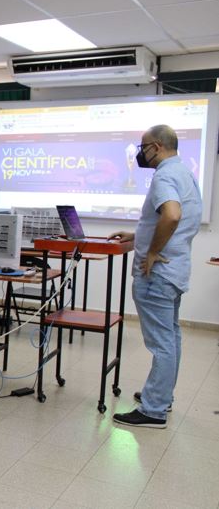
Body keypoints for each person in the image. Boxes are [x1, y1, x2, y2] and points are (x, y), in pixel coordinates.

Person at [110, 124, 201, 429]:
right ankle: (161, 396)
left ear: (158, 147)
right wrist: (139, 236)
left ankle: (153, 410)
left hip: (158, 273)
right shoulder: (185, 173)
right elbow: (175, 218)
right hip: (175, 270)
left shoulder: (164, 175)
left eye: (143, 146)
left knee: (162, 342)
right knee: (171, 338)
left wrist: (150, 252)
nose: (140, 152)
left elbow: (172, 215)